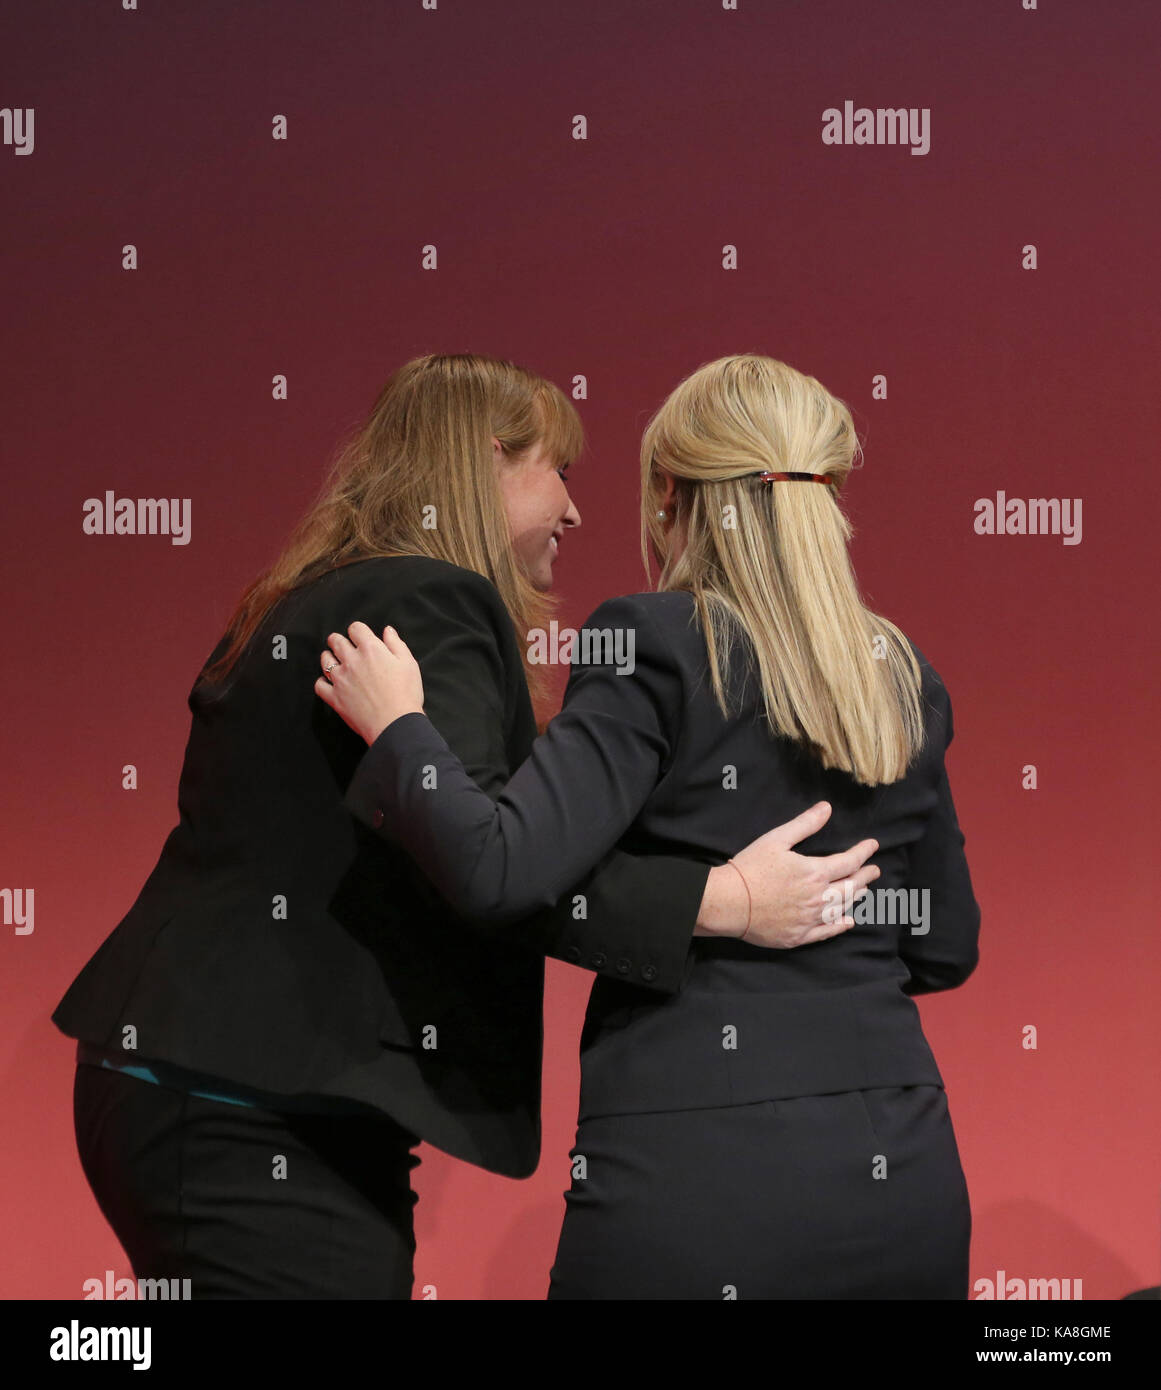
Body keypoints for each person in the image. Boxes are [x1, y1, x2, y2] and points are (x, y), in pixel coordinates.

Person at [52, 353, 880, 1299]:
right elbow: (493, 858)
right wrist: (723, 900)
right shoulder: (428, 597)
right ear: (487, 460)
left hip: (204, 1090)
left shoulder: (319, 588)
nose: (576, 511)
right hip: (253, 1106)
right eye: (558, 472)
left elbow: (463, 837)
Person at [316, 353, 982, 1300]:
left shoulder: (653, 642)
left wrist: (400, 735)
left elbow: (503, 869)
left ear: (668, 492)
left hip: (696, 1168)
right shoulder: (904, 676)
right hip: (901, 1170)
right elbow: (944, 947)